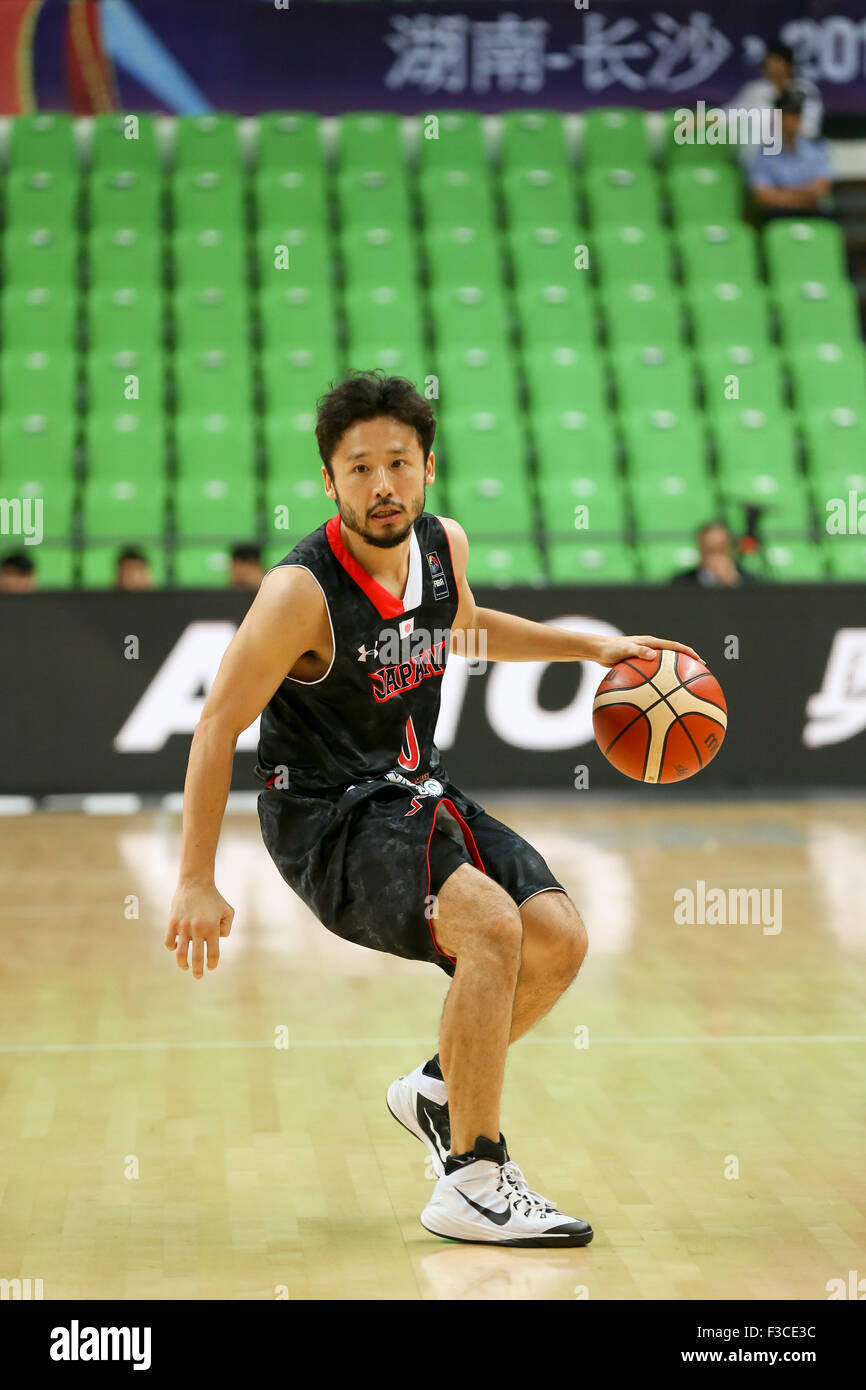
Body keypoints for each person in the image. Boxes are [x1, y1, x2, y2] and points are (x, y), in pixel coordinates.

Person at [166, 370, 702, 1247]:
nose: (383, 485)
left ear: (427, 468)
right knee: (491, 927)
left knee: (560, 936)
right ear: (328, 481)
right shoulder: (300, 593)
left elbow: (466, 624)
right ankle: (474, 1176)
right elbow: (217, 725)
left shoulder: (442, 545)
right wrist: (195, 878)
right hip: (325, 817)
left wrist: (590, 646)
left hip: (416, 791)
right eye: (360, 468)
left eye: (399, 463)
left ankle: (437, 1091)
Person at [729, 37, 823, 165]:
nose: (771, 66)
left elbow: (810, 128)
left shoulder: (805, 89)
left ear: (788, 65)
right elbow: (728, 115)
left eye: (776, 61)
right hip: (763, 155)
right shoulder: (755, 90)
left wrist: (783, 129)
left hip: (797, 151)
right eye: (768, 62)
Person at [748, 92, 833, 221]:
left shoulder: (816, 147)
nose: (790, 120)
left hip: (812, 214)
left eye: (795, 115)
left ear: (800, 118)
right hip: (778, 216)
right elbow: (762, 195)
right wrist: (802, 197)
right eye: (785, 115)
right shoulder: (765, 151)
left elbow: (820, 189)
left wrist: (781, 195)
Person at [672, 520, 759, 586]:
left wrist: (732, 582)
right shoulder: (681, 583)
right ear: (700, 548)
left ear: (732, 550)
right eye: (710, 550)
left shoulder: (751, 583)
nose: (715, 557)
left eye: (721, 550)